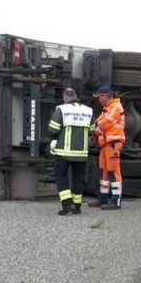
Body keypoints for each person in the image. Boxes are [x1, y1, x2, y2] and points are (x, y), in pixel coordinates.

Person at [47, 87, 93, 215]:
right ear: (75, 96)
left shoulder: (61, 109)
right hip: (82, 153)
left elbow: (53, 129)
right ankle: (77, 206)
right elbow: (93, 130)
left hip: (64, 153)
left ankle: (67, 204)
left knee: (61, 176)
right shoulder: (88, 111)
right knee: (78, 178)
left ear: (65, 97)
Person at [89, 86, 125, 210]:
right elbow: (97, 123)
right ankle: (103, 198)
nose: (98, 99)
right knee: (104, 172)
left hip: (112, 143)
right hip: (106, 144)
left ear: (106, 95)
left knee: (113, 172)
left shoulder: (115, 107)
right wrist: (96, 129)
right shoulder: (107, 108)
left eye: (100, 97)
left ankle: (116, 201)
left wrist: (96, 129)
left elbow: (102, 124)